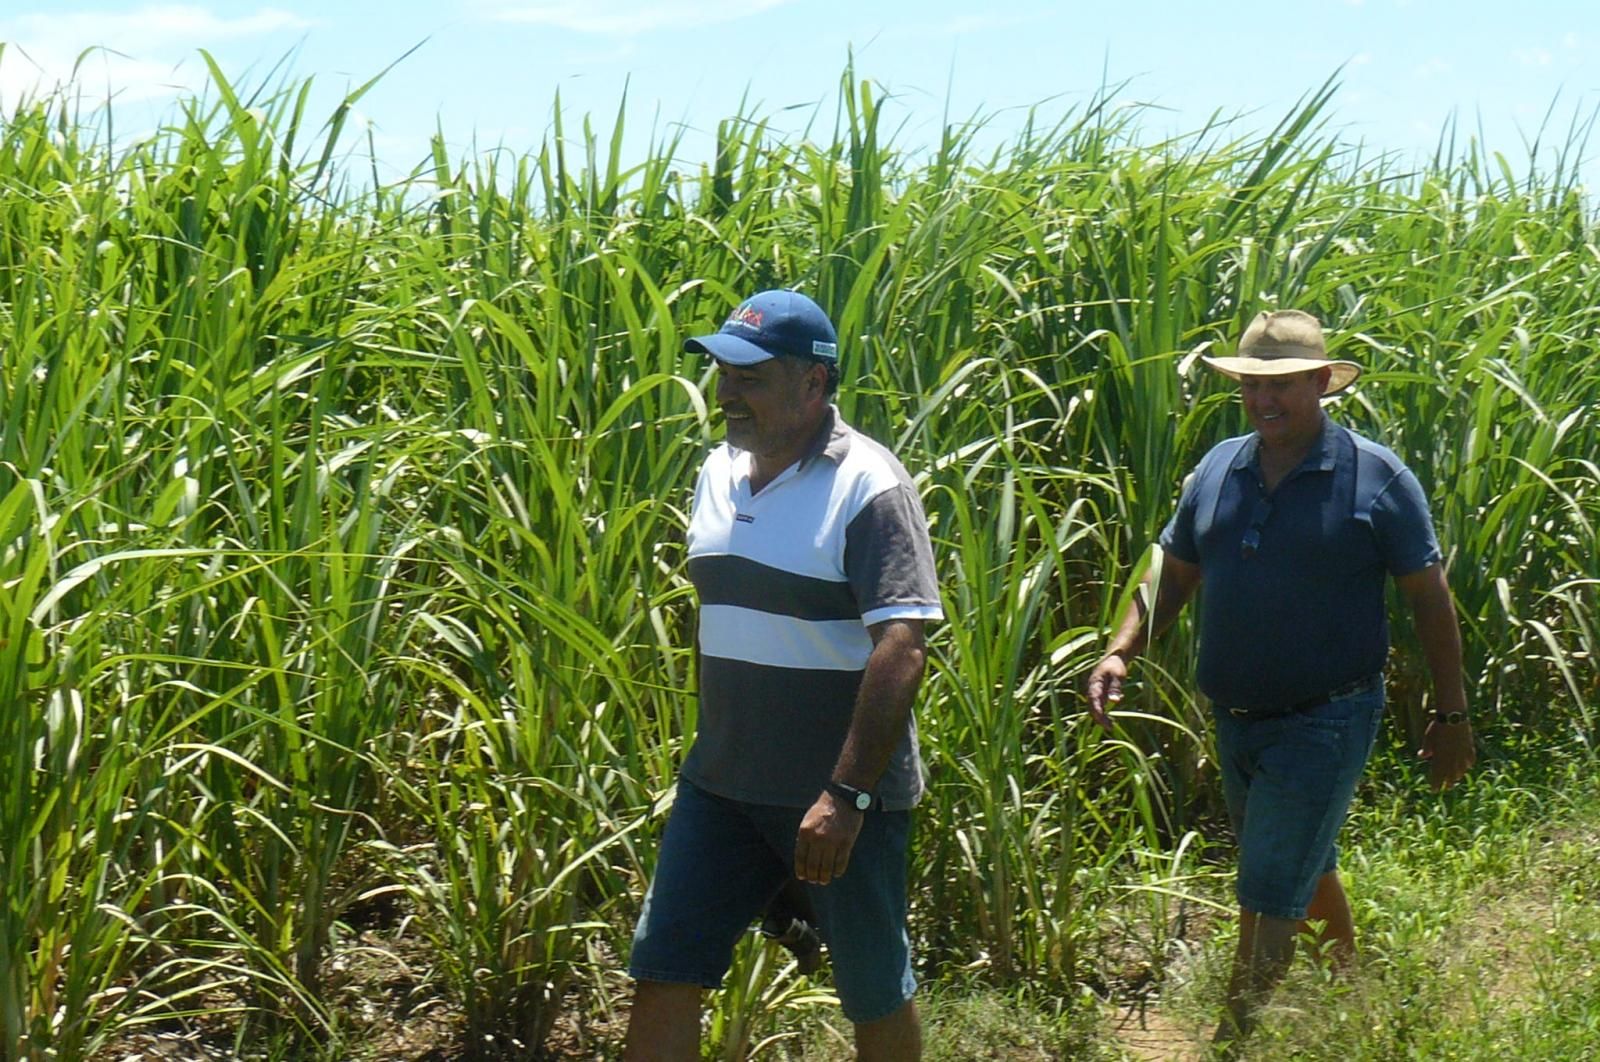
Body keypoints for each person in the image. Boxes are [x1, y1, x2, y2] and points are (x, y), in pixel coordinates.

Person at [1084, 309, 1476, 1051]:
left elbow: (1430, 600)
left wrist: (1450, 716)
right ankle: (1354, 1003)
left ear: (1322, 383)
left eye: (1284, 386)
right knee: (1302, 864)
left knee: (1266, 894)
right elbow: (1174, 570)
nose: (1265, 402)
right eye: (1251, 387)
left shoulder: (1376, 478)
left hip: (1325, 718)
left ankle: (1233, 1041)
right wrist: (1120, 650)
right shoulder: (1220, 468)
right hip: (1237, 716)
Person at [624, 289, 942, 1061]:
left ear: (813, 385)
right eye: (723, 373)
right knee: (665, 966)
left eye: (751, 376)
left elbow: (902, 645)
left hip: (836, 803)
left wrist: (846, 794)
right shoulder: (717, 472)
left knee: (873, 988)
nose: (727, 392)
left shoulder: (868, 486)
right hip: (721, 787)